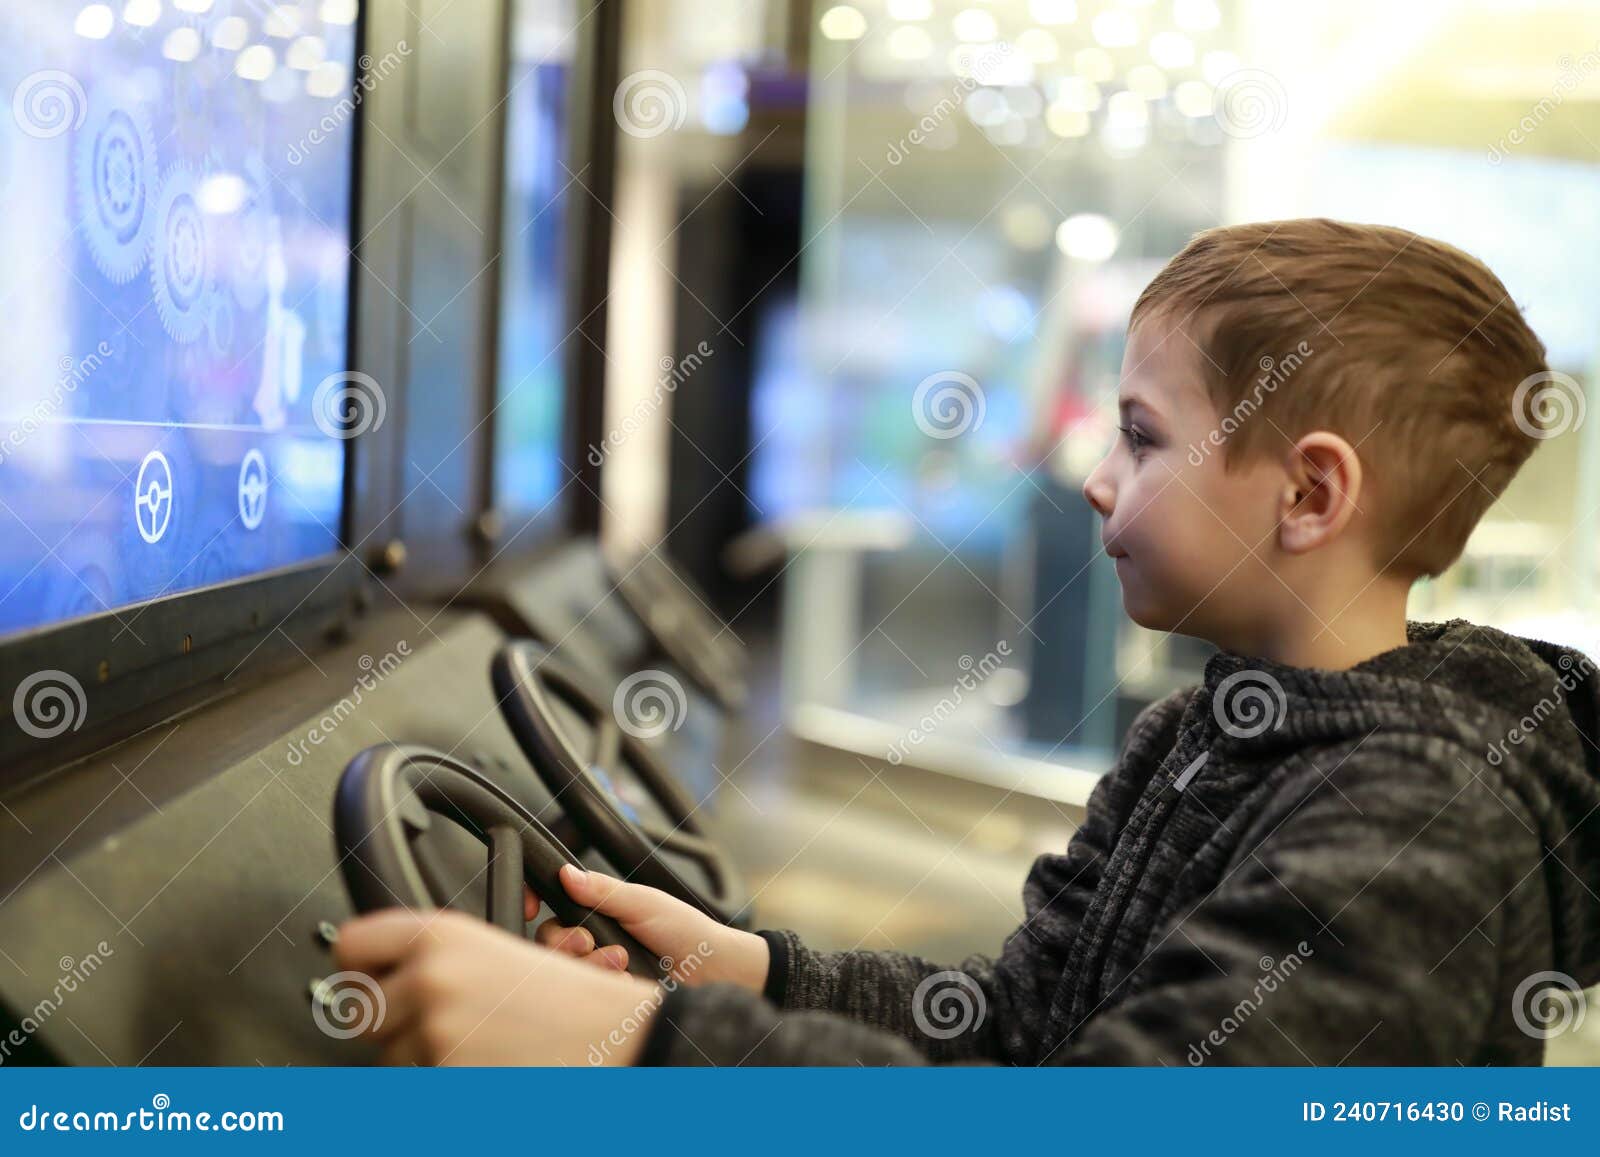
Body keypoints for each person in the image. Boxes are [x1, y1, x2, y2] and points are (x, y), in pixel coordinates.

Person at [336, 217, 1600, 1066]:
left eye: (1142, 437)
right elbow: (1022, 1020)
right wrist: (752, 971)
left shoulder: (1419, 821)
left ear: (1311, 493)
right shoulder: (1200, 728)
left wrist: (647, 1046)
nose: (1096, 479)